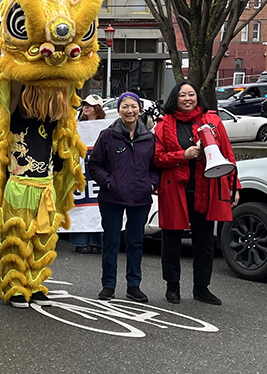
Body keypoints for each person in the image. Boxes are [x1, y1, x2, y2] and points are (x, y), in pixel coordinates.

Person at [154, 81, 238, 305]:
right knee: (171, 240)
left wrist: (234, 185)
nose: (187, 99)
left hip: (205, 189)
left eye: (191, 94)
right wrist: (183, 155)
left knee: (204, 242)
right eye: (182, 95)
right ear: (175, 99)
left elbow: (227, 154)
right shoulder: (163, 125)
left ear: (197, 97)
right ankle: (172, 286)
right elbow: (157, 158)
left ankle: (202, 287)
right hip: (175, 189)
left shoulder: (212, 121)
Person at [89, 92, 159, 303]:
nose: (130, 111)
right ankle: (108, 284)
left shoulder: (149, 137)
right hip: (112, 197)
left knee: (136, 242)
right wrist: (109, 182)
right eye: (125, 107)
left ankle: (134, 285)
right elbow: (94, 165)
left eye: (133, 107)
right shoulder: (108, 135)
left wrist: (152, 183)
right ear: (118, 110)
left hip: (140, 197)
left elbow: (155, 166)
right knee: (111, 242)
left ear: (139, 109)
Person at [70, 94, 108, 253]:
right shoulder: (77, 126)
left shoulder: (106, 127)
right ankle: (80, 241)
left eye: (90, 105)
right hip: (80, 169)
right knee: (80, 203)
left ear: (97, 108)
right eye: (84, 104)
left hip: (98, 171)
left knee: (96, 205)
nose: (86, 107)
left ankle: (96, 241)